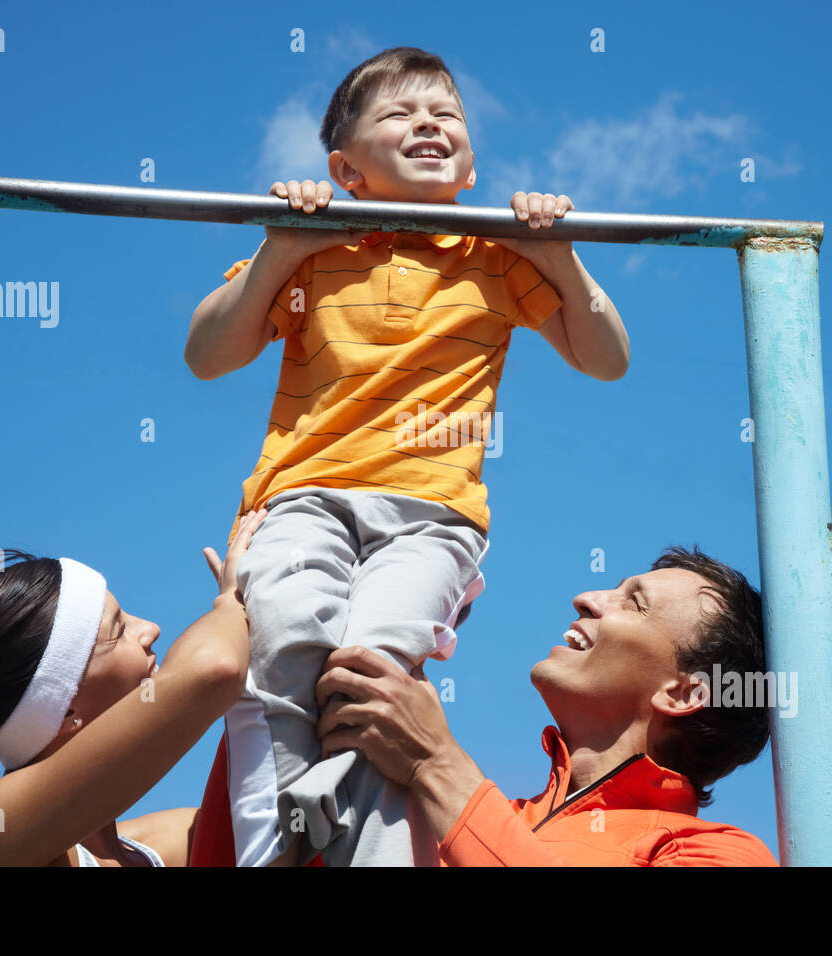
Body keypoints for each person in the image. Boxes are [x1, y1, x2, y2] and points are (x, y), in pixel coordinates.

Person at [184, 46, 630, 866]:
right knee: (285, 637)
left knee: (376, 662)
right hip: (306, 493)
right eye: (399, 114)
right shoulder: (316, 248)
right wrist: (281, 247)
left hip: (433, 514)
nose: (429, 123)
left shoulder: (491, 255)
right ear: (345, 171)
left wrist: (558, 251)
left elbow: (607, 356)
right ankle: (277, 841)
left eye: (447, 115)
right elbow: (207, 354)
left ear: (470, 167)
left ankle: (340, 814)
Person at [190, 546, 780, 866]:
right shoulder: (468, 816)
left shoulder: (719, 854)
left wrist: (436, 764)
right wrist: (269, 665)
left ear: (683, 692)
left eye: (635, 603)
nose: (588, 597)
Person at [0, 510, 267, 866]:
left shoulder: (157, 847)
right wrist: (232, 599)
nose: (151, 630)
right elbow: (215, 669)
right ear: (66, 710)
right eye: (119, 630)